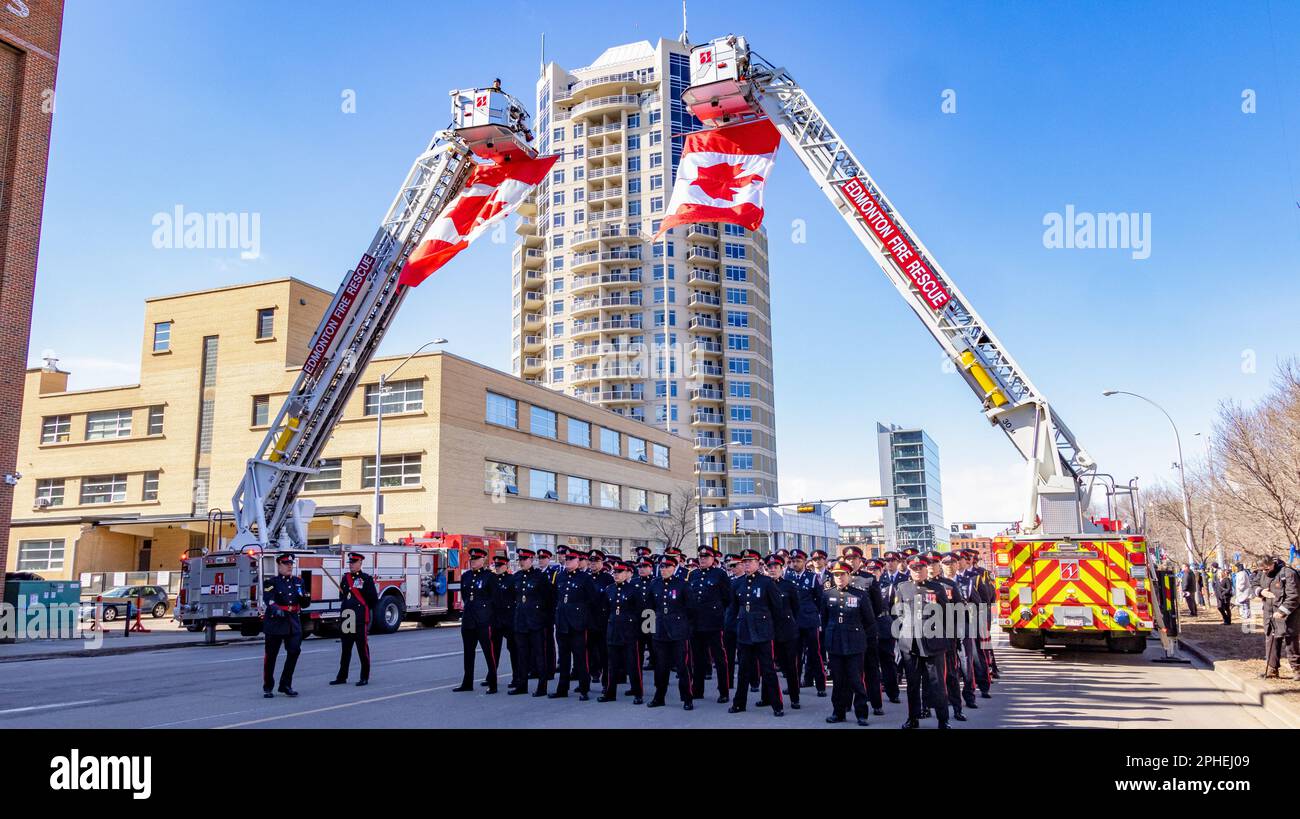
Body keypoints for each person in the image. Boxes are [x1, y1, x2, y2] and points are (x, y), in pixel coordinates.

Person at [895, 556, 952, 729]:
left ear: (927, 569)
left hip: (933, 644)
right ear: (909, 570)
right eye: (914, 568)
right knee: (912, 685)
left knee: (937, 684)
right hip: (910, 644)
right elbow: (898, 612)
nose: (918, 571)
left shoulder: (937, 588)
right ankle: (913, 718)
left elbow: (947, 615)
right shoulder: (902, 588)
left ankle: (943, 720)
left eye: (921, 568)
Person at [728, 549, 785, 717]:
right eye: (744, 561)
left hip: (763, 632)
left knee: (768, 670)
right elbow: (732, 608)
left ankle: (777, 705)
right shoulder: (737, 583)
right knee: (744, 670)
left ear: (758, 563)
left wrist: (774, 631)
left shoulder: (767, 582)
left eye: (750, 561)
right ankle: (739, 703)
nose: (746, 564)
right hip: (744, 631)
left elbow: (777, 608)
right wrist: (731, 628)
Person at [822, 561, 873, 725]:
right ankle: (838, 712)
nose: (839, 578)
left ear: (849, 576)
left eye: (842, 574)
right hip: (835, 642)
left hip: (854, 643)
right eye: (836, 575)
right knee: (838, 681)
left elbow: (869, 621)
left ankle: (861, 714)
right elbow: (824, 620)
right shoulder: (827, 594)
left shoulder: (860, 595)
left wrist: (862, 638)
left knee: (856, 680)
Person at [646, 554, 694, 709]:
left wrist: (687, 629)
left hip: (678, 631)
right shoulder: (654, 584)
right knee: (661, 666)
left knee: (682, 666)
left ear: (674, 568)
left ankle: (687, 698)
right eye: (661, 567)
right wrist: (649, 630)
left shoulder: (682, 584)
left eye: (667, 567)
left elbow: (691, 608)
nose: (663, 569)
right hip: (659, 630)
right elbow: (649, 608)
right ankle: (659, 697)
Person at [262, 554, 311, 698]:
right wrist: (275, 608)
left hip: (293, 621)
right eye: (286, 563)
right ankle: (268, 686)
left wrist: (305, 597)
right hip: (276, 622)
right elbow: (268, 599)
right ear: (279, 565)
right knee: (271, 656)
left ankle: (285, 684)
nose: (289, 566)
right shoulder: (271, 582)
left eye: (291, 563)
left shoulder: (298, 582)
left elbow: (304, 603)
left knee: (294, 651)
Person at [687, 546, 732, 703]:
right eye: (700, 557)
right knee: (697, 658)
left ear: (713, 559)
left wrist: (719, 613)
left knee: (719, 658)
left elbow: (727, 598)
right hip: (697, 622)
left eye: (706, 557)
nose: (703, 559)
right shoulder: (693, 574)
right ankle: (697, 689)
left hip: (714, 622)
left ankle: (724, 691)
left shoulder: (720, 574)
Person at [549, 550, 596, 700]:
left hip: (578, 624)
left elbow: (592, 600)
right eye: (566, 558)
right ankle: (562, 688)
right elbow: (556, 597)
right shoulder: (560, 576)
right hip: (562, 622)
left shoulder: (585, 578)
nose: (567, 561)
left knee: (580, 658)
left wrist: (583, 619)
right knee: (563, 658)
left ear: (578, 561)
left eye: (571, 559)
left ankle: (584, 688)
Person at [599, 560, 647, 703]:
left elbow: (643, 612)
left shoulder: (634, 590)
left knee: (633, 665)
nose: (616, 574)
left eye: (620, 572)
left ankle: (638, 692)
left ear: (627, 573)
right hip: (613, 630)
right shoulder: (609, 589)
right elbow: (605, 612)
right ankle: (610, 692)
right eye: (615, 572)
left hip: (630, 632)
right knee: (611, 664)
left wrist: (644, 633)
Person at [454, 547, 499, 694]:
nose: (473, 562)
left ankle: (493, 683)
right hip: (469, 619)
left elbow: (495, 599)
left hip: (484, 620)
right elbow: (466, 596)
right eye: (472, 559)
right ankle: (467, 683)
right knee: (468, 652)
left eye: (476, 559)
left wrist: (489, 617)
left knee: (488, 652)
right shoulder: (466, 576)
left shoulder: (490, 577)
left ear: (483, 560)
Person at [510, 548, 553, 697]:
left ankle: (542, 686)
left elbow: (549, 599)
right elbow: (513, 598)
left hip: (536, 621)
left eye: (524, 559)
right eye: (520, 560)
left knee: (539, 655)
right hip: (521, 621)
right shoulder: (516, 577)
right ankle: (522, 684)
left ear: (531, 560)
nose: (521, 562)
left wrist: (545, 619)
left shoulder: (540, 577)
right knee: (522, 655)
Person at [332, 552, 378, 687]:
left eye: (354, 562)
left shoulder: (366, 579)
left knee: (362, 649)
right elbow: (342, 596)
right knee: (345, 649)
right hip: (347, 617)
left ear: (360, 563)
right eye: (350, 563)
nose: (351, 565)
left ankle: (364, 677)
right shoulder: (345, 578)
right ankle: (342, 676)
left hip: (359, 618)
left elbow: (373, 599)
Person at [786, 549, 827, 697]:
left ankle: (820, 686)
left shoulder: (812, 577)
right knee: (794, 655)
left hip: (809, 621)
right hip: (793, 622)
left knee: (815, 654)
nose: (795, 564)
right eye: (792, 561)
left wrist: (815, 615)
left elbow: (820, 599)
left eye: (798, 561)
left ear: (804, 562)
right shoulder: (788, 576)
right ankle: (794, 686)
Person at [765, 554, 802, 710]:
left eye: (776, 567)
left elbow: (796, 608)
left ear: (782, 569)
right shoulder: (763, 584)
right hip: (768, 631)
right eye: (770, 567)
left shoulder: (789, 585)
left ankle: (794, 697)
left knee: (790, 667)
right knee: (767, 667)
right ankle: (767, 697)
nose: (773, 570)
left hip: (786, 631)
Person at [1255, 556, 1300, 679]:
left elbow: (1294, 596)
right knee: (1271, 641)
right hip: (1269, 614)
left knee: (1291, 642)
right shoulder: (1261, 573)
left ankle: (1297, 669)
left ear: (1272, 563)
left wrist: (1282, 611)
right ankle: (1272, 669)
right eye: (1261, 569)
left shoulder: (1288, 573)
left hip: (1288, 615)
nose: (1264, 572)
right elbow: (1254, 584)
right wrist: (1260, 592)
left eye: (1266, 569)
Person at [489, 554, 520, 691]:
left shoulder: (512, 580)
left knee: (513, 649)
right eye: (496, 566)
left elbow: (516, 598)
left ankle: (516, 677)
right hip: (496, 619)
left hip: (509, 619)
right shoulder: (492, 580)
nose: (497, 568)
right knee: (493, 650)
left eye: (500, 566)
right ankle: (491, 676)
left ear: (506, 566)